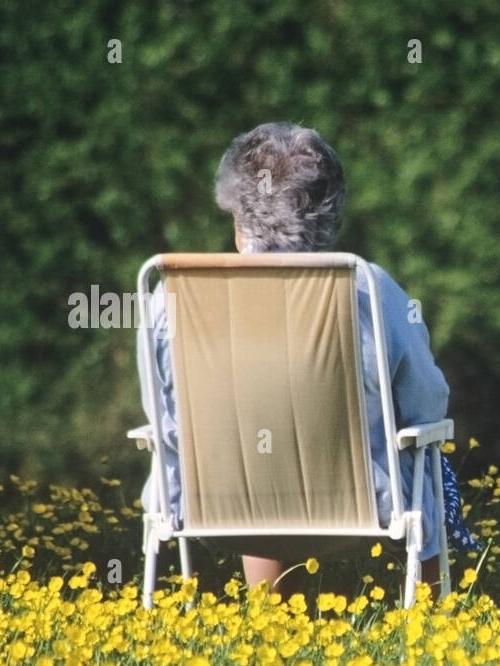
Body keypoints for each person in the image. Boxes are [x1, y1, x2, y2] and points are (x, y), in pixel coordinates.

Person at [138, 122, 478, 596]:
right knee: (425, 453)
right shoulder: (366, 288)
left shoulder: (172, 295)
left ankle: (267, 612)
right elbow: (428, 402)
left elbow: (161, 413)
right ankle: (432, 617)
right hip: (360, 507)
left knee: (254, 441)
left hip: (208, 505)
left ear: (237, 214)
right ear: (330, 214)